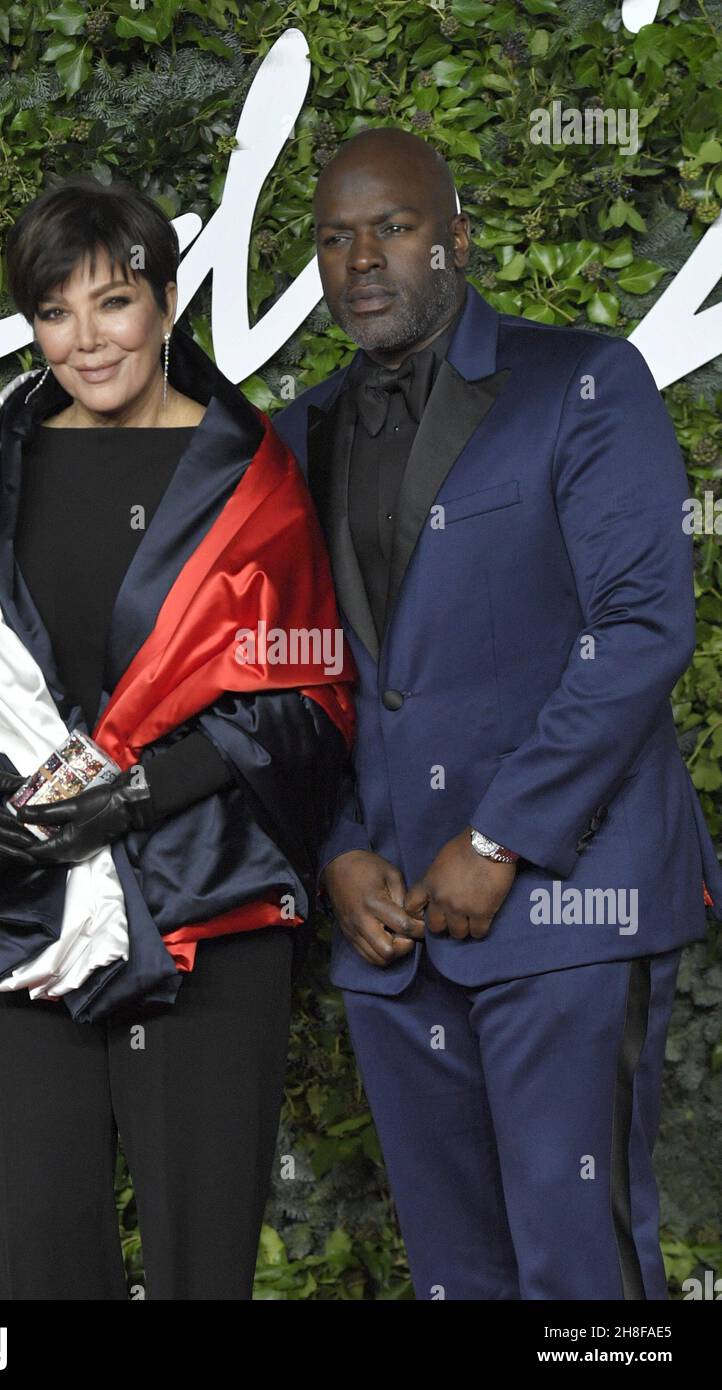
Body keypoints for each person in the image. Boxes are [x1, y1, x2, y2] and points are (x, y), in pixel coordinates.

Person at [0, 174, 356, 1300]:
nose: (85, 340)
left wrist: (135, 796)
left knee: (201, 1251)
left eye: (113, 302)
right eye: (54, 311)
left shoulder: (249, 482)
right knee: (38, 1245)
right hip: (28, 898)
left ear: (167, 300)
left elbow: (302, 701)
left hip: (206, 898)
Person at [272, 126, 722, 1300]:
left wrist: (497, 835)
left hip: (569, 903)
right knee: (454, 1275)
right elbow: (293, 679)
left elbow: (638, 630)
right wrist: (336, 851)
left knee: (579, 1271)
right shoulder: (292, 438)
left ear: (454, 237)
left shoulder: (581, 379)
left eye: (394, 226)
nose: (362, 256)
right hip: (391, 933)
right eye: (334, 237)